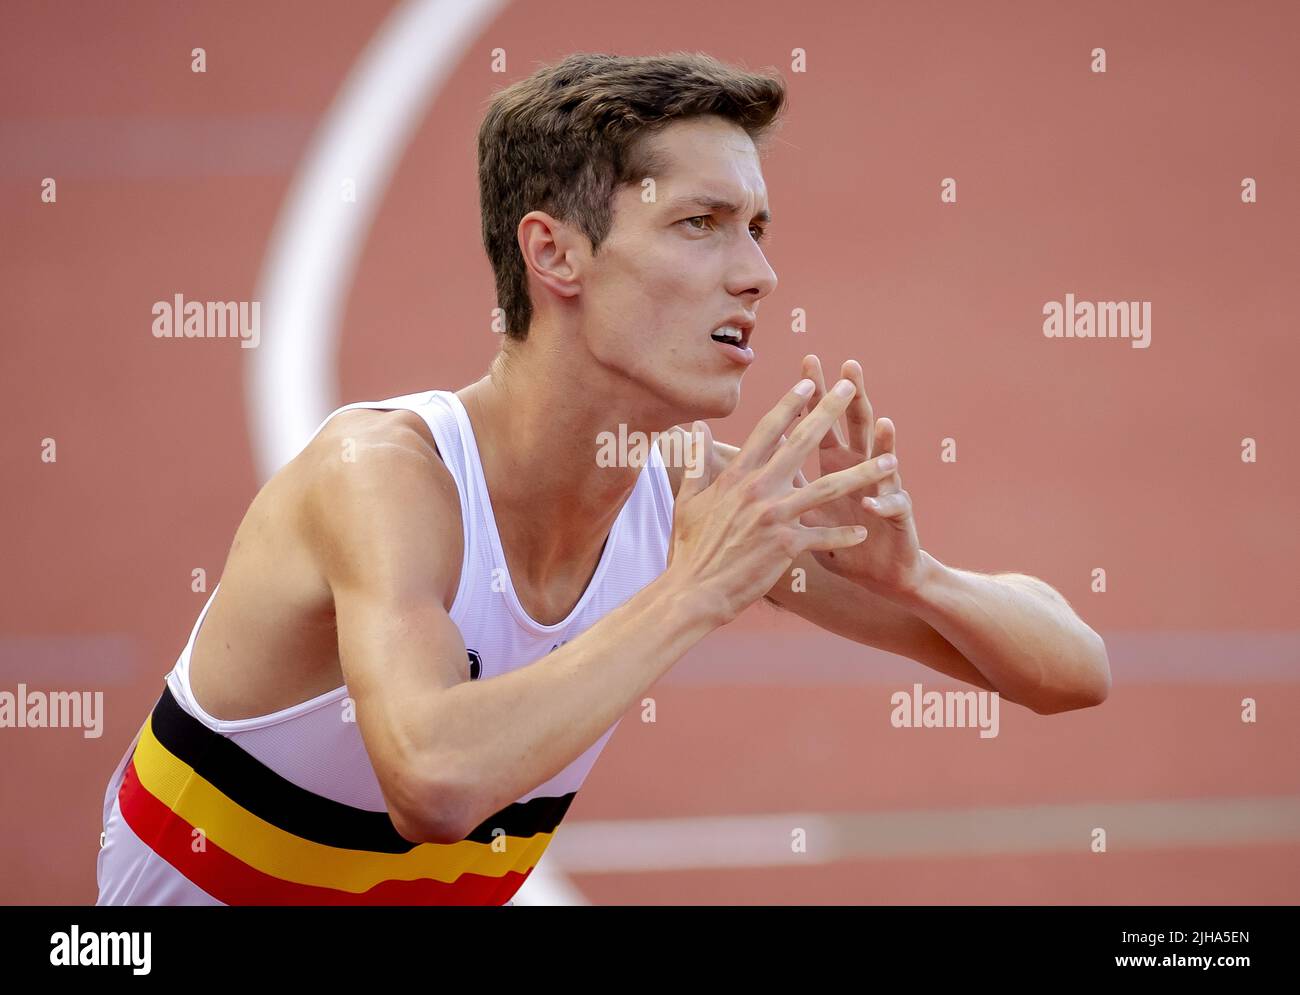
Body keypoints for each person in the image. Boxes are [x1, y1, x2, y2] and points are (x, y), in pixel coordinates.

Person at [96, 51, 1109, 906]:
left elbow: (1072, 671)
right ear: (555, 253)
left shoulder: (688, 502)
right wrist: (691, 590)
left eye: (757, 228)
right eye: (700, 223)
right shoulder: (380, 480)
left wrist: (918, 576)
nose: (757, 273)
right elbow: (435, 779)